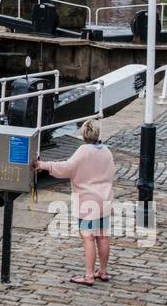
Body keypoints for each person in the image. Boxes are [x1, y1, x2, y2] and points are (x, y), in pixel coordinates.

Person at [37, 119, 115, 287]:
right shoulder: (107, 151)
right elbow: (111, 174)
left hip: (88, 202)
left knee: (88, 238)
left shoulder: (83, 151)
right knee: (103, 236)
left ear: (83, 134)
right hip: (105, 200)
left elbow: (66, 168)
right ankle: (102, 271)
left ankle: (88, 275)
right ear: (97, 134)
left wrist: (43, 165)